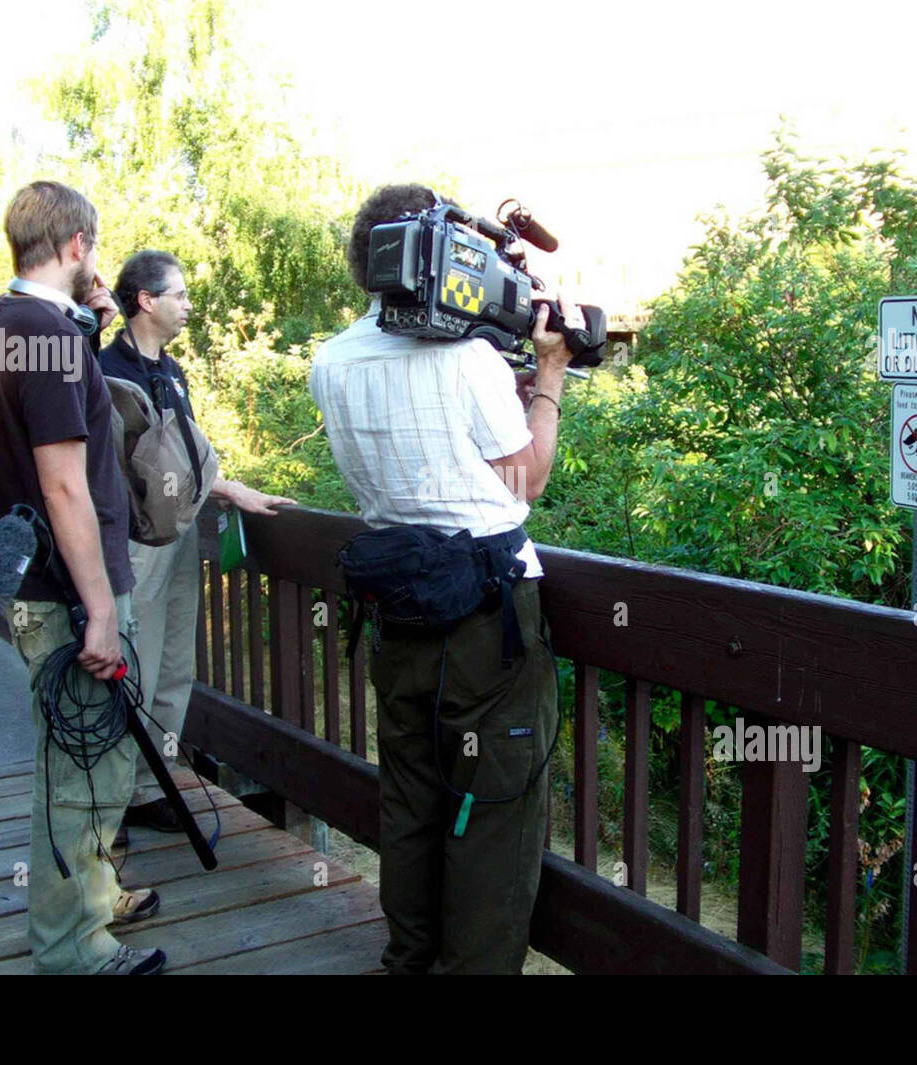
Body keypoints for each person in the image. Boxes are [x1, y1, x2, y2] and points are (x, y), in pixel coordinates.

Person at [308, 184, 574, 974]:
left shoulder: (332, 359)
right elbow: (523, 479)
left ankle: (410, 958)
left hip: (400, 610)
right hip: (491, 618)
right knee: (494, 805)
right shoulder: (467, 360)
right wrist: (550, 374)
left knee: (412, 796)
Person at [0, 181, 164, 975]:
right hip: (68, 586)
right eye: (95, 248)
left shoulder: (0, 324)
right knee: (87, 767)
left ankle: (90, 892)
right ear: (79, 244)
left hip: (32, 583)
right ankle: (74, 947)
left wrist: (84, 328)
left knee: (76, 756)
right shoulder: (48, 337)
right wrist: (99, 610)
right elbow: (63, 484)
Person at [100, 250, 296, 832]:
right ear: (146, 300)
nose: (188, 306)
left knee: (174, 667)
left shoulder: (173, 375)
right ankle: (112, 796)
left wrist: (228, 490)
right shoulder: (107, 373)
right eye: (179, 295)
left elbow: (184, 460)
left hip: (181, 536)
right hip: (135, 542)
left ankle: (149, 786)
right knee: (133, 666)